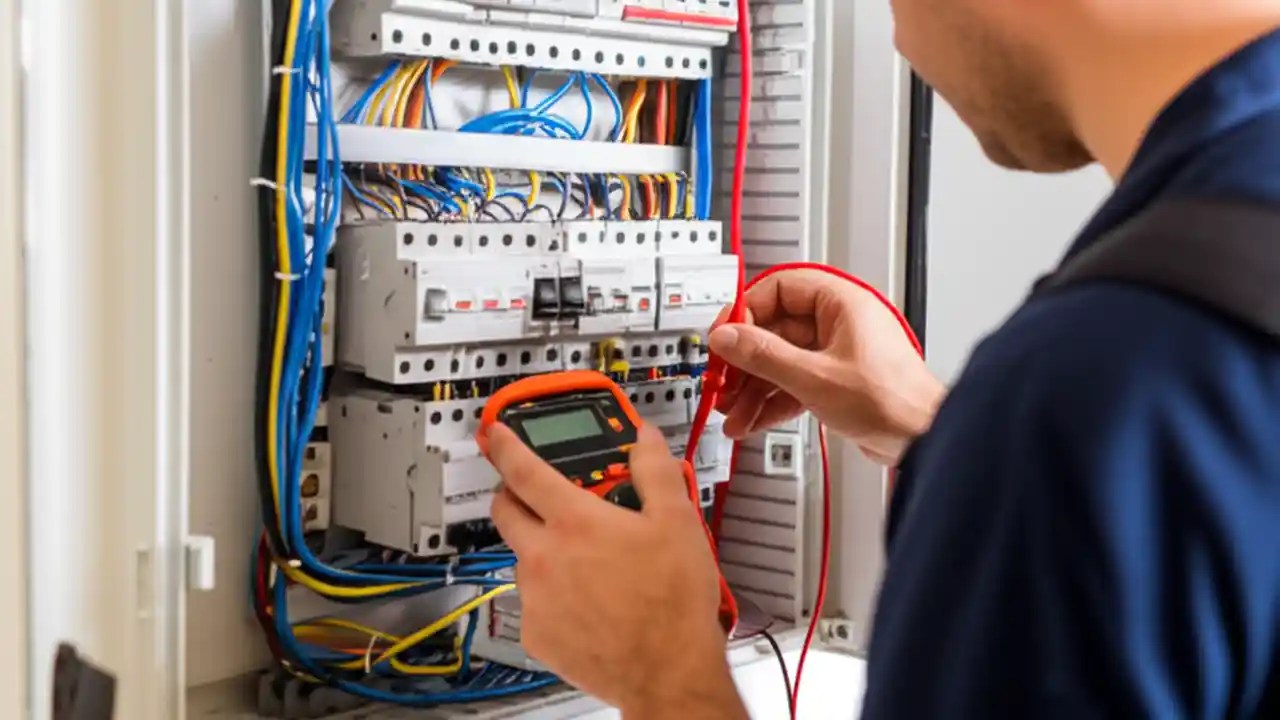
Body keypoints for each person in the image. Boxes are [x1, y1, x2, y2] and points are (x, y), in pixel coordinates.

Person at [483, 0, 1280, 716]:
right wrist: (937, 431)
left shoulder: (1091, 387)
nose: (897, 35)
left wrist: (662, 671)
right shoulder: (1150, 357)